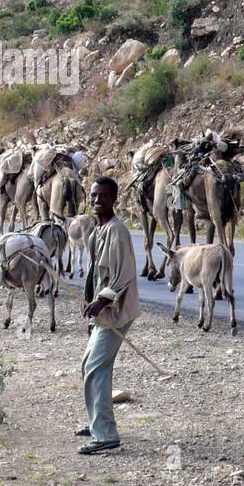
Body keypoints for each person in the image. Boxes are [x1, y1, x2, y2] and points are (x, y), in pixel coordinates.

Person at [75, 176, 139, 455]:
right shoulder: (95, 232)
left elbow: (124, 275)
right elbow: (94, 275)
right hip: (101, 312)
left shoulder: (118, 231)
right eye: (93, 196)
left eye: (103, 196)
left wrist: (101, 301)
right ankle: (96, 422)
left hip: (117, 310)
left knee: (96, 369)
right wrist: (92, 305)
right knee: (89, 364)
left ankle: (105, 435)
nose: (97, 201)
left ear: (114, 199)